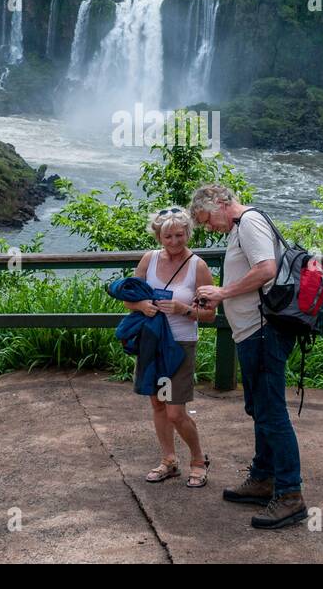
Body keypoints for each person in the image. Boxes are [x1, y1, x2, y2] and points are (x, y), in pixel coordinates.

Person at [190, 183, 308, 530]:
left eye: (207, 219)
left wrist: (223, 291)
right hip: (253, 332)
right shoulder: (240, 227)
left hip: (264, 332)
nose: (209, 227)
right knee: (260, 408)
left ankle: (290, 495)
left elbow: (267, 269)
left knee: (271, 412)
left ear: (222, 203)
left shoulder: (250, 222)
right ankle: (263, 478)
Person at [119, 206, 216, 486]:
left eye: (179, 235)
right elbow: (129, 298)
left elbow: (210, 314)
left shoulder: (197, 266)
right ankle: (168, 460)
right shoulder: (148, 260)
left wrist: (182, 309)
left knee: (176, 411)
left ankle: (198, 459)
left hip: (180, 344)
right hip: (152, 342)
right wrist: (141, 305)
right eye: (168, 236)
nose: (174, 242)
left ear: (188, 233)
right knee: (157, 404)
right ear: (158, 236)